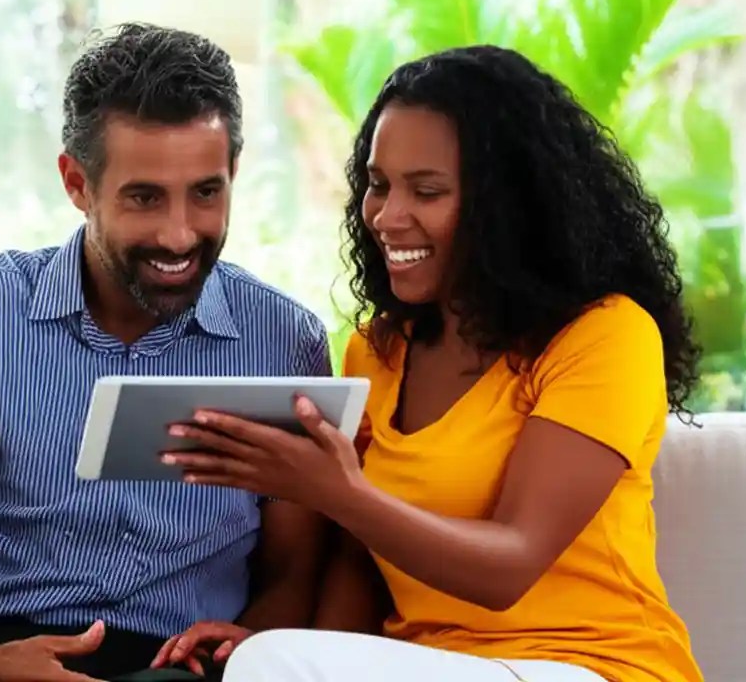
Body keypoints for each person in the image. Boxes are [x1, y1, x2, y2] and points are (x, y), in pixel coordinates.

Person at [0, 23, 329, 682]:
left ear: (234, 174)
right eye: (144, 197)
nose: (179, 233)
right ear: (77, 183)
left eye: (206, 193)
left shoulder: (285, 340)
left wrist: (245, 644)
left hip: (175, 669)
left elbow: (293, 574)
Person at [154, 45, 706, 681]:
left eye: (427, 191)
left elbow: (510, 566)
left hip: (591, 666)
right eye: (378, 185)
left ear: (509, 205)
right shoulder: (377, 352)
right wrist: (285, 649)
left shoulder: (605, 334)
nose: (388, 217)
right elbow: (361, 564)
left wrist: (336, 492)